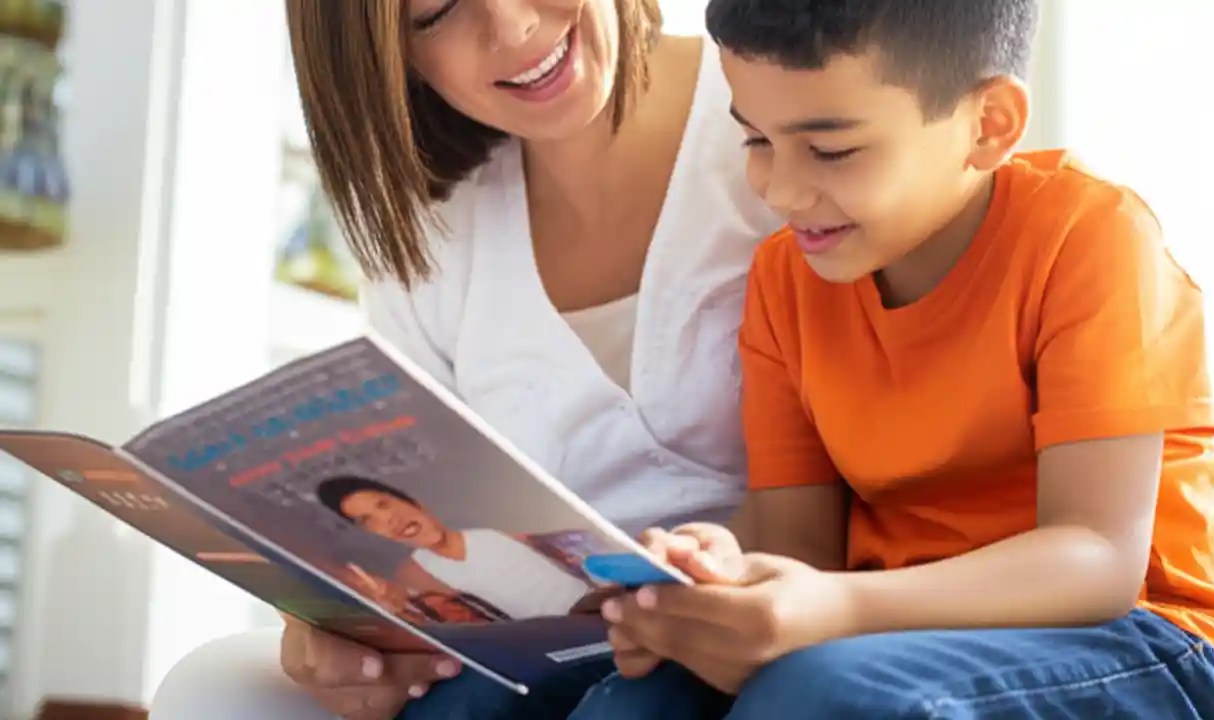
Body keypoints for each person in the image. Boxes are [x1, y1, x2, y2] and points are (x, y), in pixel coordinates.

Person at [585, 1, 1214, 718]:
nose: (780, 191)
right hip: (889, 634)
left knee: (820, 696)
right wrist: (720, 575)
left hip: (1142, 643)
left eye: (832, 151)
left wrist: (840, 606)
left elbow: (1098, 560)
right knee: (634, 704)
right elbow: (801, 549)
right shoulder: (786, 281)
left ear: (988, 124)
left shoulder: (1090, 237)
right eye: (756, 140)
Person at [147, 1, 782, 718]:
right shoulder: (437, 230)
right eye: (436, 12)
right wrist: (338, 629)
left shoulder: (791, 116)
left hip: (752, 613)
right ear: (387, 58)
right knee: (213, 689)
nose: (510, 27)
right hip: (546, 644)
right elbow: (409, 503)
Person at [315, 475, 593, 620]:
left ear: (414, 502)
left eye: (383, 504)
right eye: (368, 521)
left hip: (596, 607)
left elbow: (570, 552)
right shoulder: (414, 573)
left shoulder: (494, 530)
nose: (388, 519)